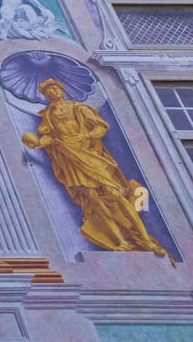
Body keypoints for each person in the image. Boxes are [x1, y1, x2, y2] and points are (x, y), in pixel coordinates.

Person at [21, 78, 171, 262]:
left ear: (62, 89)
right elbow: (49, 138)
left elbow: (101, 127)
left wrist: (87, 135)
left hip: (91, 156)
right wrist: (36, 143)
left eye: (55, 87)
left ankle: (146, 239)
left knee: (115, 194)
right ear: (46, 96)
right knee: (94, 202)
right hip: (71, 161)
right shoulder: (48, 117)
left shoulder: (78, 108)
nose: (53, 91)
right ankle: (120, 241)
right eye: (48, 90)